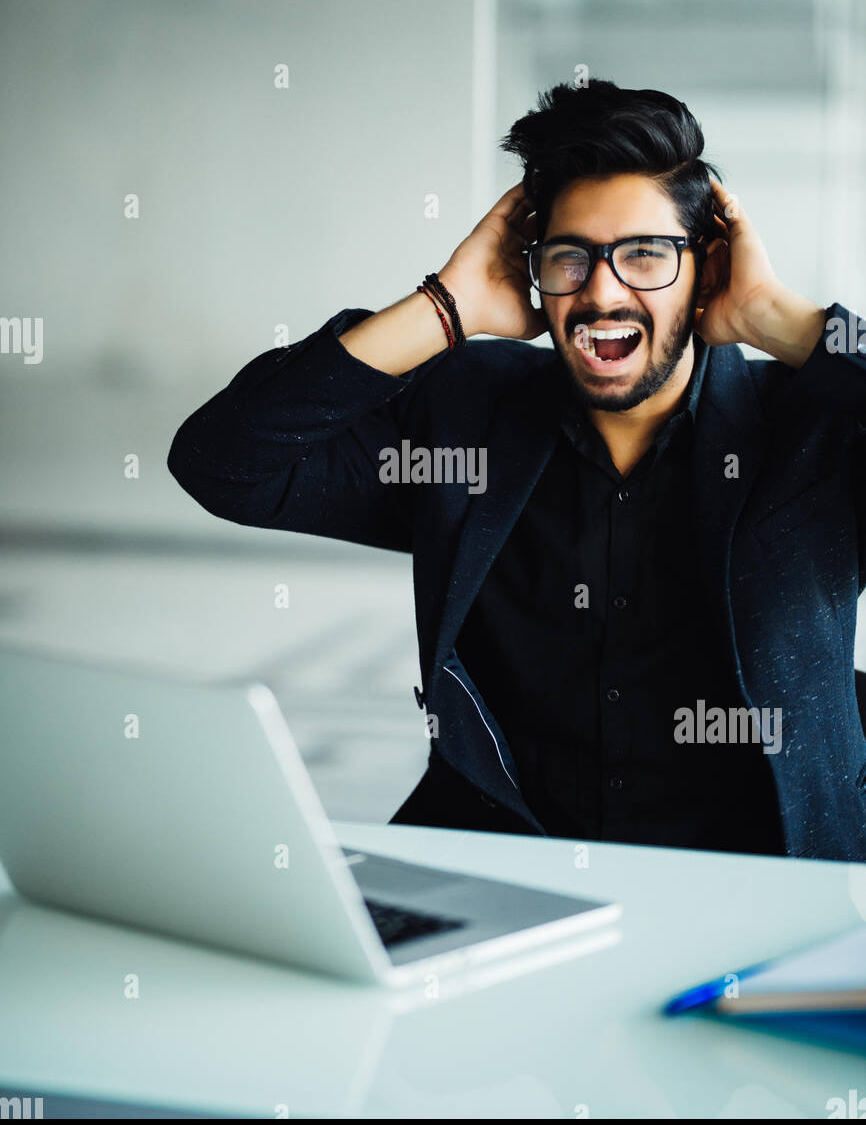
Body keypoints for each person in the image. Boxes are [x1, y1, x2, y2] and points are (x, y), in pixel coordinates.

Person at [168, 79, 866, 861]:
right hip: (504, 879)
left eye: (644, 256)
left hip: (767, 895)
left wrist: (781, 318)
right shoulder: (468, 414)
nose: (602, 293)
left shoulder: (816, 430)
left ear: (707, 268)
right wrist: (443, 309)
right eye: (571, 258)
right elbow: (223, 462)